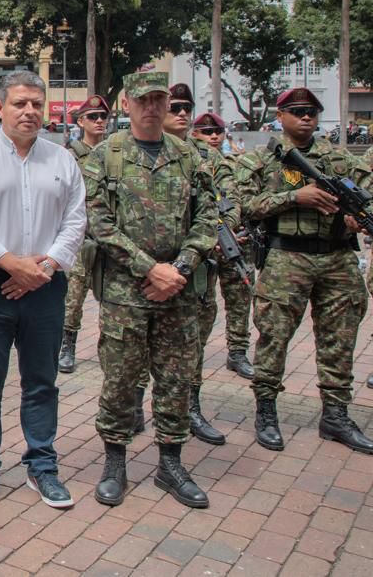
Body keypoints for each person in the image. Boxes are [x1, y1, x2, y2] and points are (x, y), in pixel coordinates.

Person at [85, 71, 216, 510]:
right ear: (127, 104)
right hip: (126, 291)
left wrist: (179, 268)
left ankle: (170, 464)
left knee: (176, 379)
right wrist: (149, 269)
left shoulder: (189, 156)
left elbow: (208, 217)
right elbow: (99, 223)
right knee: (121, 379)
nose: (153, 108)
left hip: (177, 291)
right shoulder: (106, 156)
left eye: (160, 100)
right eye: (143, 100)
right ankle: (115, 462)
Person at [0, 72, 86, 511]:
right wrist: (12, 263)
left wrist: (44, 267)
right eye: (19, 103)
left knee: (41, 382)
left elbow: (76, 220)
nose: (29, 111)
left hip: (47, 285)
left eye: (36, 103)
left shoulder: (62, 160)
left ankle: (42, 464)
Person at [234, 88, 373, 454]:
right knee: (274, 335)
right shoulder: (261, 159)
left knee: (340, 337)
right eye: (297, 111)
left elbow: (366, 191)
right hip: (286, 257)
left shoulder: (338, 158)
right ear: (280, 116)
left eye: (312, 110)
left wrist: (356, 217)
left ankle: (336, 414)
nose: (306, 117)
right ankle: (266, 410)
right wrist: (295, 197)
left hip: (337, 256)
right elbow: (243, 205)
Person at [156, 88, 242, 448]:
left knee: (193, 345)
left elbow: (232, 202)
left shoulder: (208, 157)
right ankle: (133, 409)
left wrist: (219, 230)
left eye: (186, 108)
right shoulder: (133, 152)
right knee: (135, 345)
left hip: (196, 270)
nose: (181, 113)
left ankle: (189, 408)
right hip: (149, 270)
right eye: (174, 107)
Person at [191, 111, 255, 382]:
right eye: (207, 132)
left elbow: (237, 200)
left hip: (232, 239)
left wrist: (229, 227)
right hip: (204, 243)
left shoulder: (232, 163)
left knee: (239, 297)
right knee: (202, 302)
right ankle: (193, 355)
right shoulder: (190, 158)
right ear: (195, 134)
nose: (214, 136)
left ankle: (237, 351)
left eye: (217, 131)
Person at [59, 95, 109, 374]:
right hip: (80, 237)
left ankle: (110, 348)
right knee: (74, 296)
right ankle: (67, 346)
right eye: (93, 117)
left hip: (109, 236)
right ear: (80, 122)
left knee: (111, 296)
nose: (99, 121)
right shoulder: (70, 155)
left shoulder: (116, 153)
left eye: (103, 117)